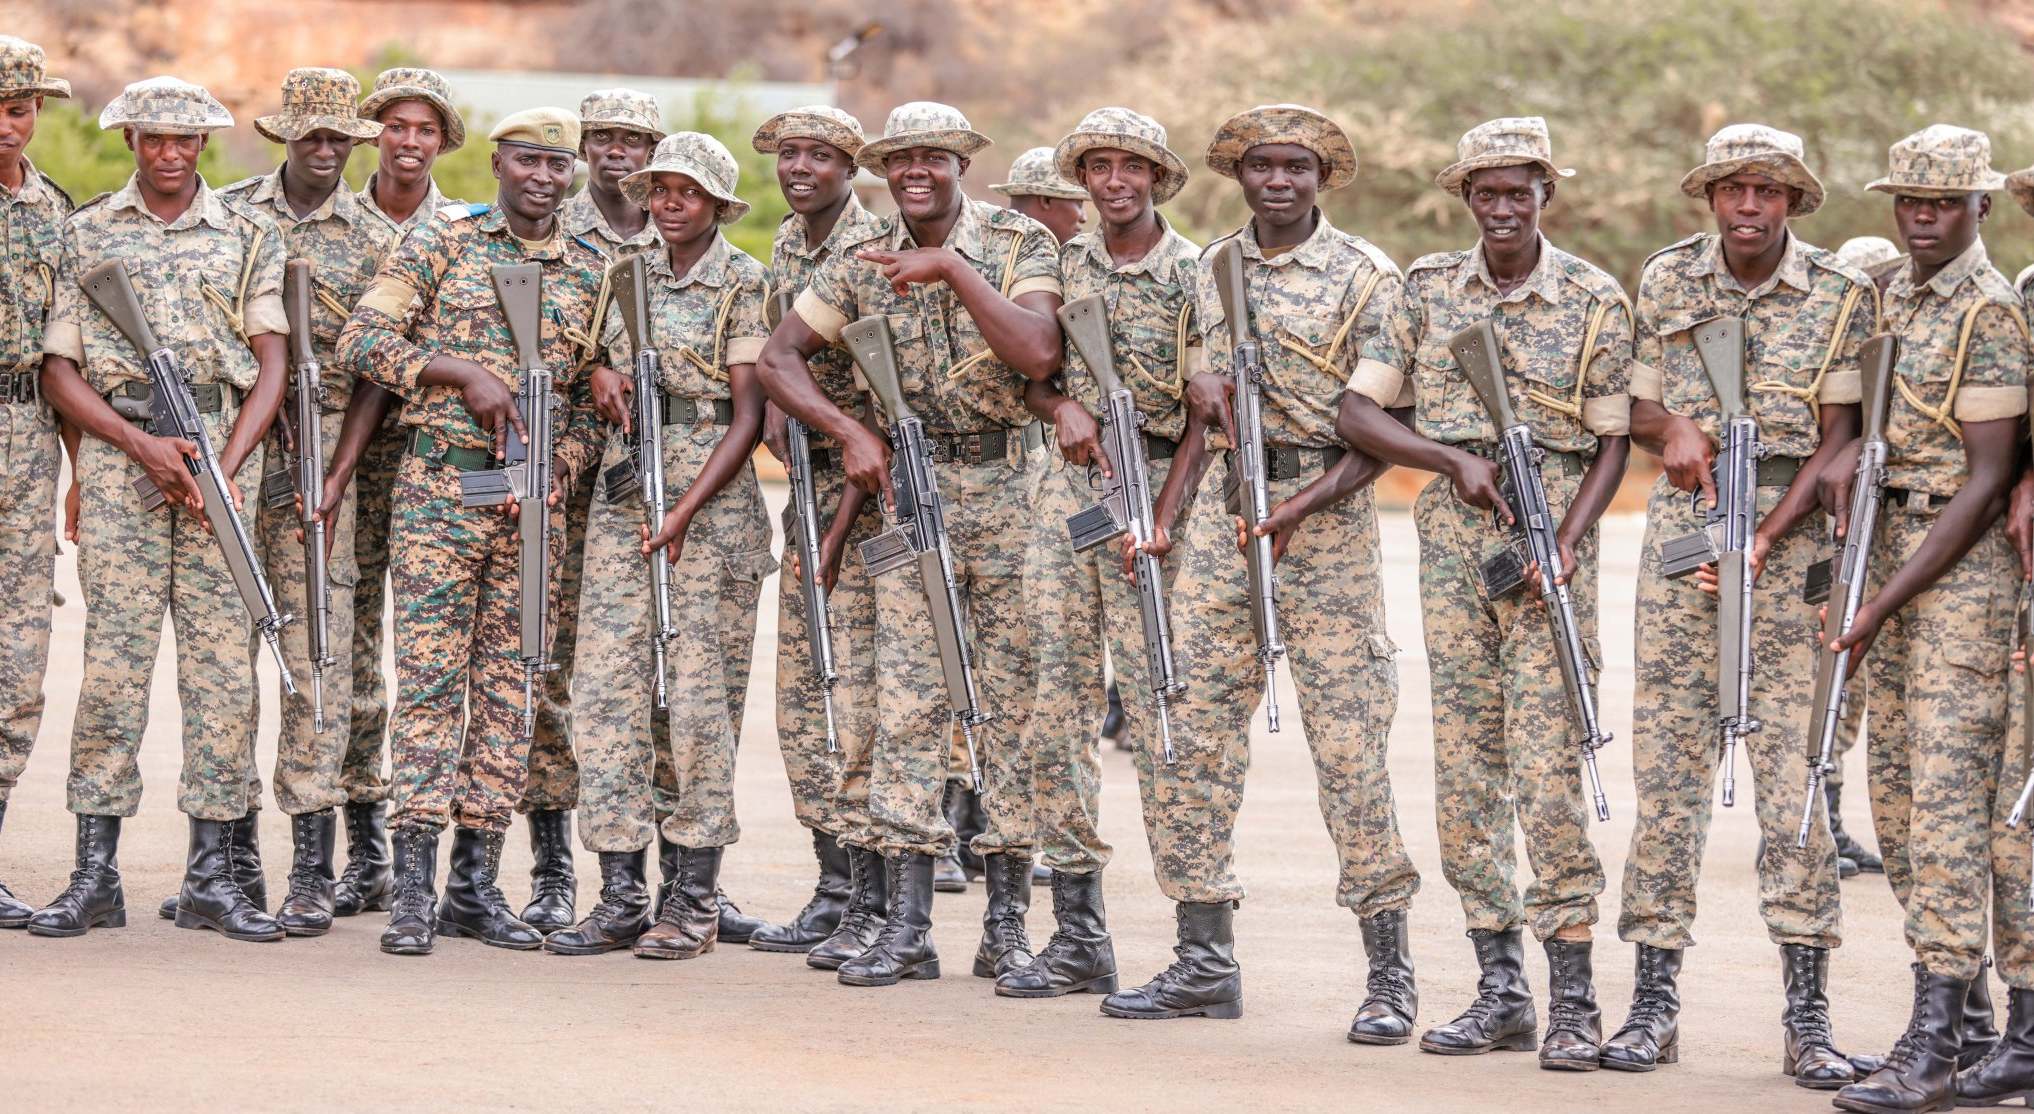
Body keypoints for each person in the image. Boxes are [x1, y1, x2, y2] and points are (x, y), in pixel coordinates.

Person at [1100, 104, 1419, 1024]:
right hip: (1220, 526)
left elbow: (1380, 437)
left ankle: (1388, 977)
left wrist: (1294, 511)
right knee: (1186, 732)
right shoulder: (1213, 271)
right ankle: (1203, 958)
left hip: (1325, 525)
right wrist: (1165, 521)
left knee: (1350, 746)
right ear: (1240, 176)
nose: (1278, 180)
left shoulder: (1368, 277)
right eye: (1262, 166)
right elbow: (1206, 423)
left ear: (1323, 178)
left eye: (1297, 167)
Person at [1587, 125, 1876, 1082]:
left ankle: (1807, 1018)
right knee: (1667, 784)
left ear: (1792, 200)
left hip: (1790, 550)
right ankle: (1652, 1006)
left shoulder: (1840, 292)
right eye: (1732, 191)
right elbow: (1630, 406)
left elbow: (1843, 435)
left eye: (1766, 191)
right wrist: (1671, 427)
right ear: (1709, 197)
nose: (1748, 207)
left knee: (1796, 788)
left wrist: (1761, 535)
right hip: (1684, 547)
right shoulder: (1668, 280)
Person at [1339, 117, 1629, 1067]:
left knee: (1550, 774)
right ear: (1465, 198)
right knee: (1467, 773)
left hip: (1549, 533)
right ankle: (1500, 989)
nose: (1502, 209)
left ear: (1549, 193)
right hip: (1457, 534)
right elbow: (1361, 411)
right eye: (1485, 193)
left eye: (1519, 191)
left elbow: (1613, 438)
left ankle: (1575, 999)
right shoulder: (1425, 289)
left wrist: (1569, 540)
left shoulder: (1592, 296)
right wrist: (1449, 461)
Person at [756, 101, 1063, 988]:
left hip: (1012, 492)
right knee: (908, 707)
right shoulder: (860, 260)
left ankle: (1007, 925)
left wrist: (952, 272)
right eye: (899, 162)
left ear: (962, 162)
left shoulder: (1017, 243)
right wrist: (849, 432)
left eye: (931, 158)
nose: (914, 173)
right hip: (911, 490)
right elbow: (780, 358)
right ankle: (908, 924)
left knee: (1006, 706)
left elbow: (1039, 353)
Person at [336, 107, 607, 957]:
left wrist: (559, 459)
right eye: (528, 160)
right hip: (441, 488)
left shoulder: (596, 270)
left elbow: (604, 397)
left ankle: (474, 886)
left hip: (533, 506)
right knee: (427, 683)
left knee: (512, 685)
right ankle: (411, 888)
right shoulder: (442, 243)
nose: (543, 178)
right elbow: (362, 337)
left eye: (558, 166)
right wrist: (460, 374)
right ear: (498, 162)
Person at [30, 76, 288, 943]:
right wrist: (137, 448)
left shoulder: (251, 235)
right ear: (131, 141)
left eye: (185, 140)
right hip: (120, 457)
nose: (170, 154)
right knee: (113, 670)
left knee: (224, 673)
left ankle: (212, 876)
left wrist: (223, 463)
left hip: (221, 458)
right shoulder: (86, 233)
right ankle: (94, 875)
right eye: (153, 139)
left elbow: (272, 365)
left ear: (205, 146)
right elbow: (59, 370)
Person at [1825, 125, 2029, 1114]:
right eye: (1908, 201)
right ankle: (1975, 1028)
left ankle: (1937, 1041)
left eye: (1942, 204)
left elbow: (1986, 482)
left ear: (1980, 209)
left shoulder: (1987, 309)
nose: (1921, 218)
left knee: (1949, 816)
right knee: (1898, 806)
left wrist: (1882, 600)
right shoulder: (1890, 295)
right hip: (1889, 556)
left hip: (1957, 580)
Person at [543, 132, 772, 958]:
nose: (671, 204)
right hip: (623, 504)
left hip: (708, 511)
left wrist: (684, 511)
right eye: (661, 191)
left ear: (716, 204)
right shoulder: (625, 276)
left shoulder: (744, 280)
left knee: (699, 704)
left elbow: (748, 417)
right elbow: (596, 367)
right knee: (606, 695)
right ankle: (620, 892)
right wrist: (602, 375)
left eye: (687, 192)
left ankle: (696, 897)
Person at [183, 66, 391, 940]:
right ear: (285, 138)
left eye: (339, 137)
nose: (325, 148)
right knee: (223, 663)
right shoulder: (230, 216)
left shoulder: (382, 235)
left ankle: (314, 868)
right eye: (311, 135)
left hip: (326, 463)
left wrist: (339, 468)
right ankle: (225, 863)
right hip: (240, 450)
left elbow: (384, 365)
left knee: (320, 658)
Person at [1003, 106, 1201, 999]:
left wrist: (1160, 512)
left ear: (1157, 176)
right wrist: (1062, 410)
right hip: (1063, 501)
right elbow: (1031, 373)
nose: (1114, 181)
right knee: (1056, 709)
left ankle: (1201, 948)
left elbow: (1210, 415)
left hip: (1162, 502)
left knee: (1167, 714)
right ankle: (1078, 934)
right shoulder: (1057, 260)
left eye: (1130, 167)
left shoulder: (1197, 271)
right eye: (1098, 168)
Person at [511, 87, 667, 937]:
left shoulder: (681, 220)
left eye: (633, 139)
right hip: (572, 483)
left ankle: (677, 880)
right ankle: (555, 868)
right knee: (558, 675)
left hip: (662, 490)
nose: (617, 153)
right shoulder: (554, 235)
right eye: (601, 138)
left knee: (663, 679)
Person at [743, 104, 889, 959]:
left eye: (819, 155)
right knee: (806, 696)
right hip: (809, 487)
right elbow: (775, 355)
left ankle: (873, 895)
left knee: (863, 694)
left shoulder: (872, 250)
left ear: (850, 167)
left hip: (873, 491)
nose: (799, 167)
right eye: (788, 154)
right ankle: (833, 888)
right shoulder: (790, 247)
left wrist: (832, 428)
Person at [334, 66, 466, 921]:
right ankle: (360, 850)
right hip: (332, 456)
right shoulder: (319, 221)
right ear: (373, 132)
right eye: (395, 125)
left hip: (434, 465)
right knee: (347, 653)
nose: (408, 140)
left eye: (425, 129)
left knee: (432, 660)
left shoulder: (470, 229)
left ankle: (459, 867)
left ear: (443, 142)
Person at [0, 35, 71, 930]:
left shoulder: (54, 209)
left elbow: (68, 355)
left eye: (20, 108)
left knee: (17, 664)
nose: (7, 124)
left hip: (28, 432)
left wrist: (82, 476)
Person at [992, 146, 1087, 246]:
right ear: (1046, 200)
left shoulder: (986, 242)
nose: (1084, 218)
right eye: (1079, 204)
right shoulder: (1033, 256)